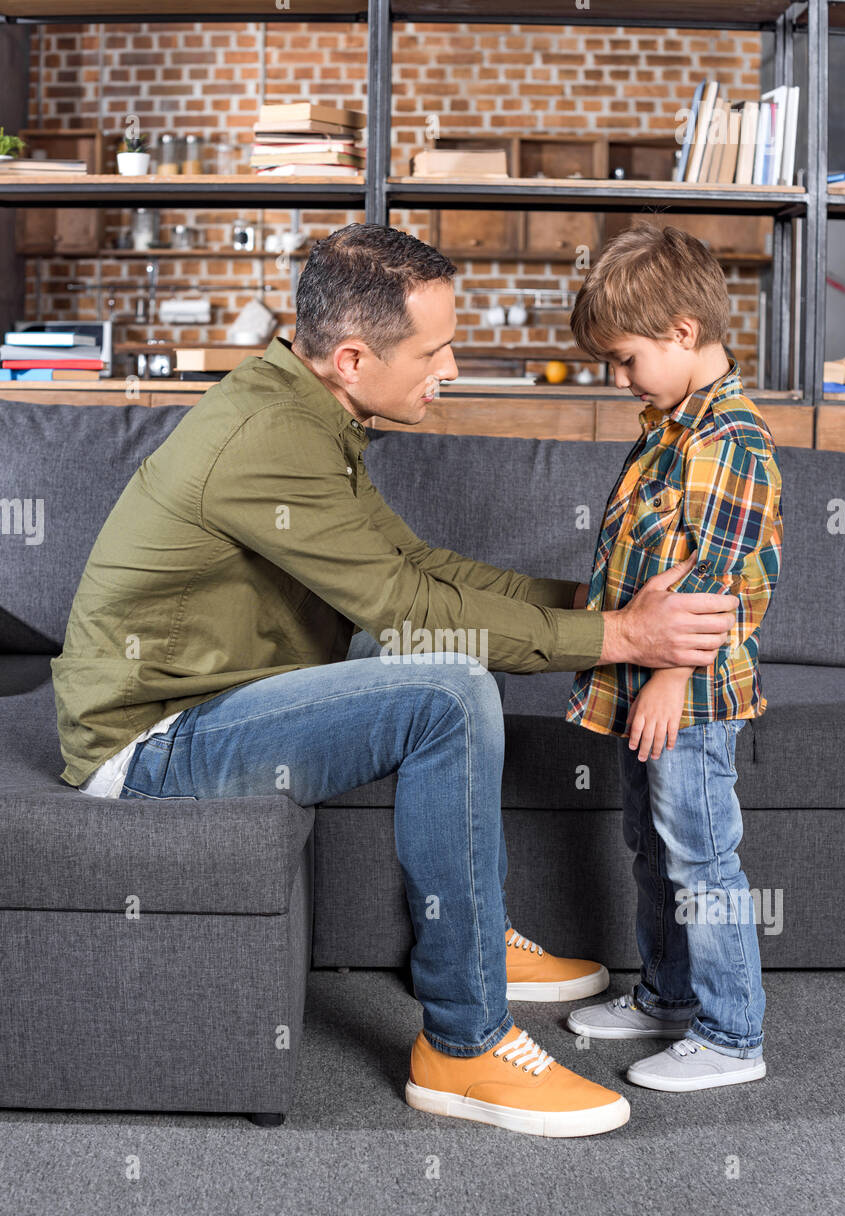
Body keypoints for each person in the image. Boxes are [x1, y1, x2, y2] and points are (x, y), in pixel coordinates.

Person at [51, 224, 739, 1137]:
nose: (449, 368)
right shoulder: (270, 437)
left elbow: (416, 565)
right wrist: (614, 634)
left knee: (444, 660)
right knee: (444, 692)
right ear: (350, 356)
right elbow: (403, 601)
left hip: (224, 695)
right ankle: (461, 1046)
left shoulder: (311, 411)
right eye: (435, 349)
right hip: (153, 744)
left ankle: (474, 935)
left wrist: (592, 603)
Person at [565, 222, 783, 1093]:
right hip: (646, 688)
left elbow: (720, 586)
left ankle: (732, 1037)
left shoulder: (725, 440)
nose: (619, 379)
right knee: (652, 849)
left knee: (700, 857)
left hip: (686, 696)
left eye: (623, 360)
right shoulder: (668, 426)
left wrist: (666, 676)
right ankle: (664, 994)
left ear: (681, 334)